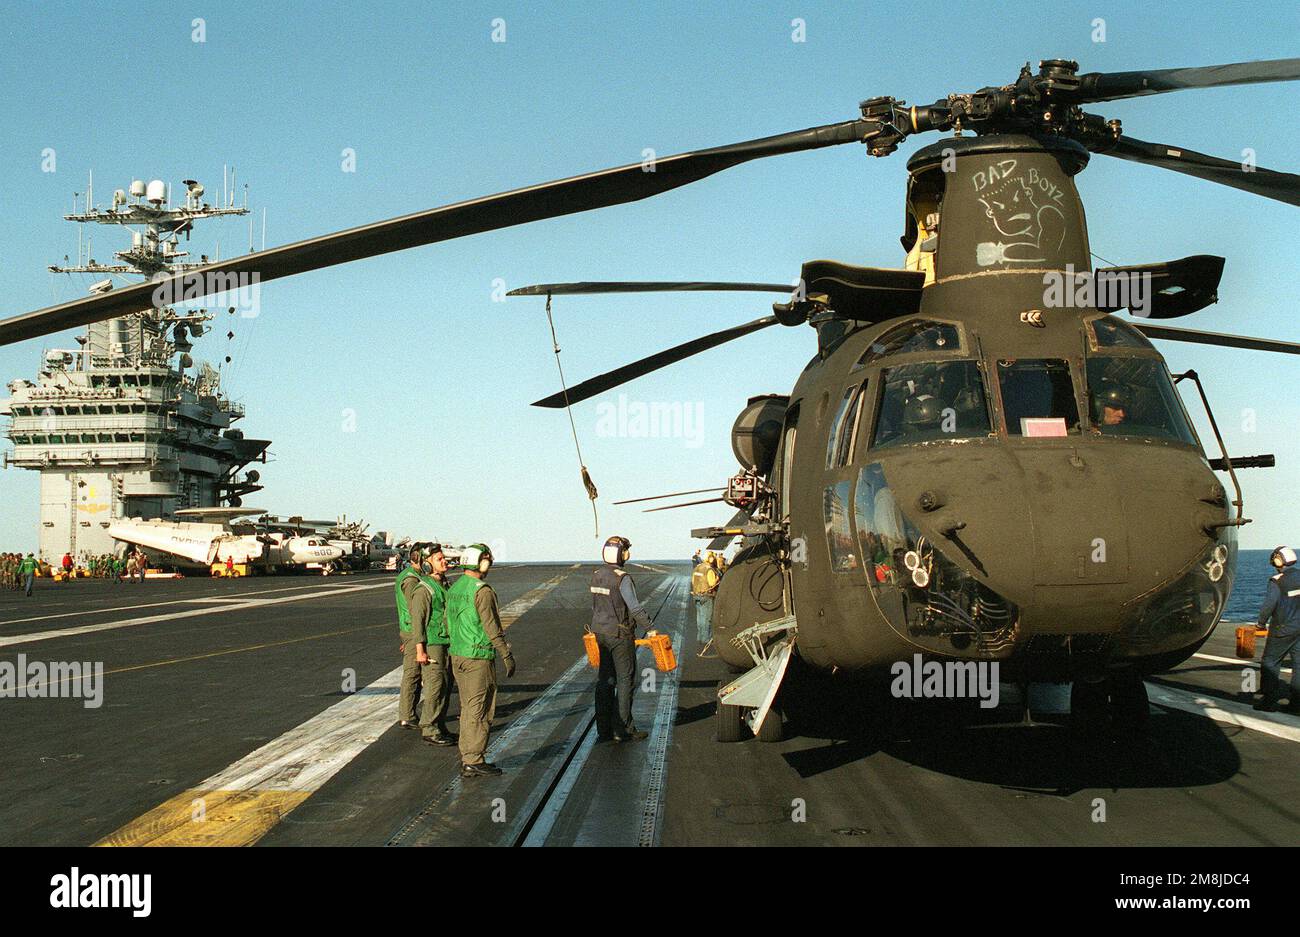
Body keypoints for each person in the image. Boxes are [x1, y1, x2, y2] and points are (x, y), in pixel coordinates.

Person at [447, 543, 515, 777]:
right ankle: (473, 759)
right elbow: (492, 627)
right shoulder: (482, 590)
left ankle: (468, 754)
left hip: (457, 654)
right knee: (481, 709)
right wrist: (506, 654)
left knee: (467, 707)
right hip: (478, 656)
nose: (490, 563)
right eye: (487, 559)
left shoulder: (455, 587)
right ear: (479, 561)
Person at [588, 535, 652, 743]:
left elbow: (596, 606)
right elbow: (634, 608)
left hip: (600, 633)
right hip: (620, 634)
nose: (628, 554)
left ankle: (603, 729)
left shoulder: (596, 575)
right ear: (620, 553)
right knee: (625, 680)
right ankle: (623, 728)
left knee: (605, 680)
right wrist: (650, 628)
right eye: (625, 550)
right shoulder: (621, 577)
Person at [402, 543, 455, 746]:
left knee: (445, 685)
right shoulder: (423, 590)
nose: (445, 562)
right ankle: (429, 728)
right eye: (439, 559)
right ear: (427, 564)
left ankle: (440, 725)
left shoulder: (444, 584)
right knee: (435, 685)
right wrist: (420, 651)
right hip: (433, 643)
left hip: (445, 641)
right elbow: (418, 623)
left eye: (443, 558)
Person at [1254, 545, 1300, 713]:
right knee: (1299, 665)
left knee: (1270, 663)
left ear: (1279, 560)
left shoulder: (1277, 580)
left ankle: (1269, 700)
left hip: (1283, 629)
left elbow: (1269, 605)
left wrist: (1260, 623)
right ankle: (1297, 704)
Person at [395, 545, 429, 730]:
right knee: (413, 673)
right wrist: (416, 639)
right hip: (413, 630)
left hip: (410, 630)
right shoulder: (410, 580)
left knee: (414, 673)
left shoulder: (413, 576)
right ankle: (407, 715)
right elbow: (414, 610)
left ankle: (409, 713)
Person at [691, 550, 722, 645]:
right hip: (706, 596)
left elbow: (693, 581)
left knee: (699, 618)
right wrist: (717, 579)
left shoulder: (697, 567)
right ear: (711, 558)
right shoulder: (709, 569)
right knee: (707, 618)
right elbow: (712, 583)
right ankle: (706, 639)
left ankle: (699, 637)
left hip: (696, 595)